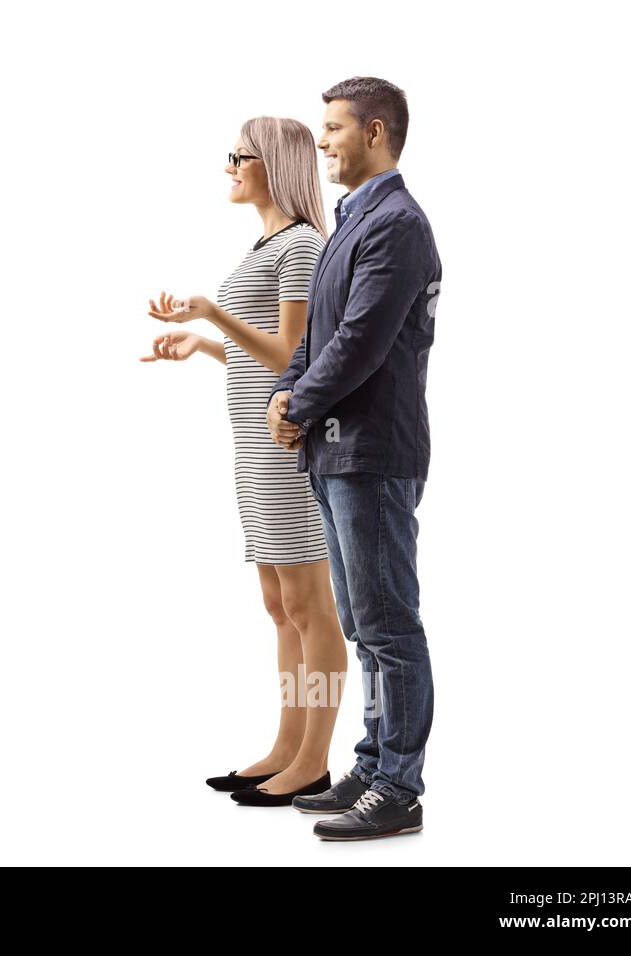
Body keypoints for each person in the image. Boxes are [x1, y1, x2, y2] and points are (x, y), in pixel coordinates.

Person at [143, 117, 349, 807]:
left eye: (242, 155)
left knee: (310, 606)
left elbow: (298, 355)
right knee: (278, 604)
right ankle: (286, 745)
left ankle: (314, 759)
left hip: (287, 449)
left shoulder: (300, 246)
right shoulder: (265, 244)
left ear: (277, 164)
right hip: (254, 451)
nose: (229, 164)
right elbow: (269, 354)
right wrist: (202, 346)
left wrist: (213, 317)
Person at [266, 77, 441, 840]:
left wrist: (299, 405)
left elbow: (361, 342)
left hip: (372, 450)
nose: (324, 141)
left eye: (334, 128)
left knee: (389, 625)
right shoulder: (351, 220)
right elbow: (317, 335)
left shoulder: (397, 224)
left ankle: (399, 788)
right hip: (337, 452)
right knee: (361, 622)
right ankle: (373, 764)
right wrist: (285, 392)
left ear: (376, 133)